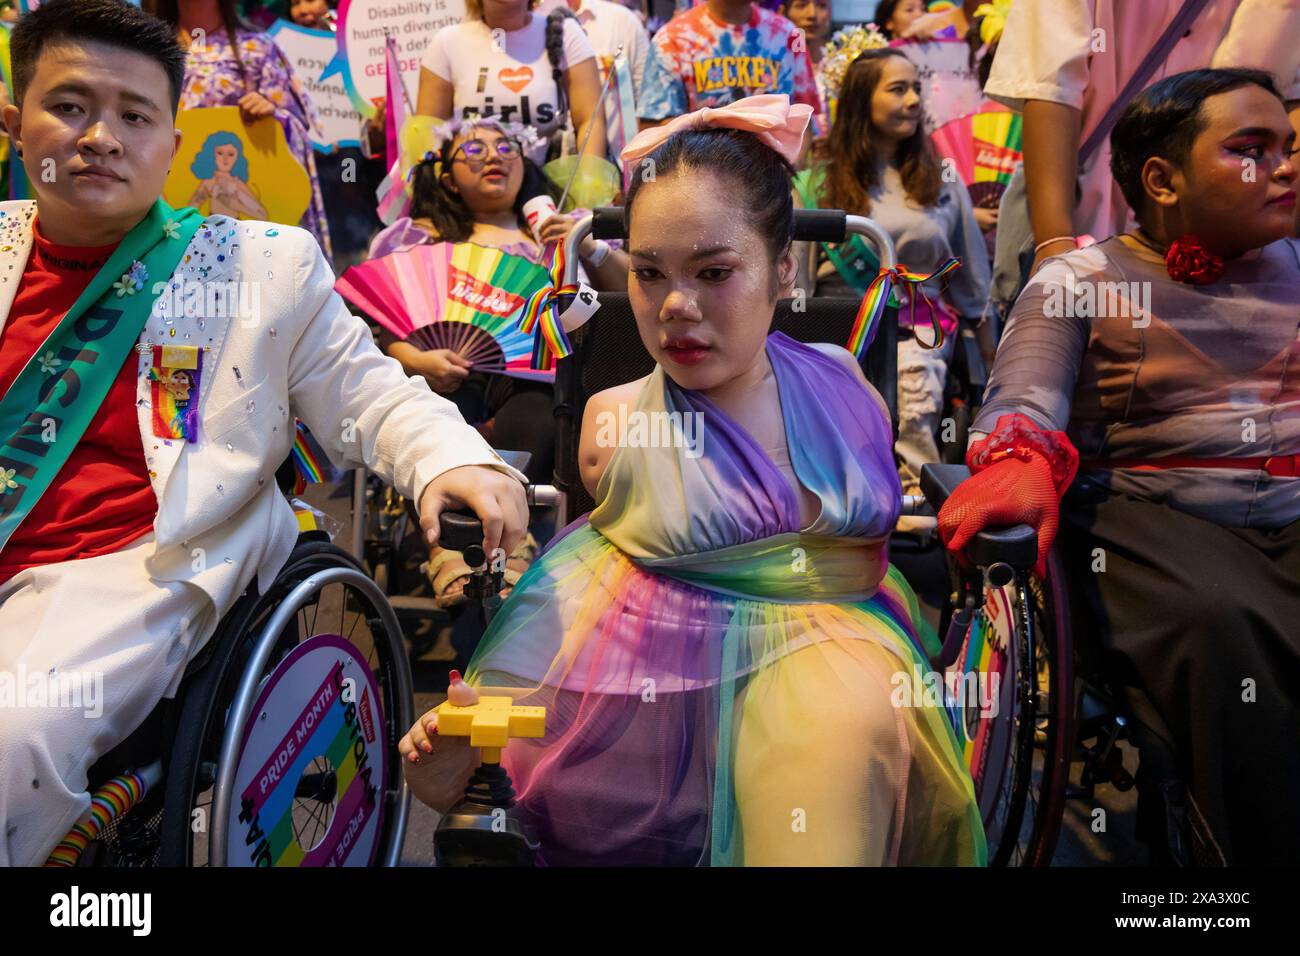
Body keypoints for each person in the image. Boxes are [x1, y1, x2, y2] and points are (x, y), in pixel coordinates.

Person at [0, 0, 528, 867]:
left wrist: (450, 462)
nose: (101, 136)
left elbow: (369, 394)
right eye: (70, 106)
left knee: (13, 735)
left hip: (131, 574)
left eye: (134, 115)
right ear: (16, 125)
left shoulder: (255, 265)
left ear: (173, 144)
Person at [400, 95, 986, 867]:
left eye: (714, 271)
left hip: (834, 674)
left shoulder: (850, 387)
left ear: (784, 267)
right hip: (659, 679)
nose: (677, 306)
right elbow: (579, 614)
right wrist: (474, 734)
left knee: (832, 730)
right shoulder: (613, 426)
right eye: (648, 273)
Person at [938, 68, 1300, 864]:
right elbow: (1022, 401)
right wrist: (1016, 461)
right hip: (1150, 520)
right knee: (1223, 625)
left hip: (1287, 515)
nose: (1284, 166)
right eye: (1251, 149)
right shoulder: (1081, 281)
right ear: (1162, 180)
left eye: (1288, 146)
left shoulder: (1296, 267)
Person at [367, 116, 628, 606]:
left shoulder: (557, 235)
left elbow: (630, 291)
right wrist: (418, 360)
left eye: (505, 146)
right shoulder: (417, 240)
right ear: (446, 178)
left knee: (539, 411)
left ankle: (496, 541)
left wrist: (584, 245)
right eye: (473, 149)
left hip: (535, 380)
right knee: (428, 411)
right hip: (440, 378)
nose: (492, 156)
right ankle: (465, 545)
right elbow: (381, 333)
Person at [983, 0, 1300, 314]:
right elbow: (1050, 84)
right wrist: (1054, 244)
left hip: (1232, 249)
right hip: (1081, 213)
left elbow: (1284, 100)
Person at [793, 49, 990, 497]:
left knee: (912, 417)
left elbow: (970, 276)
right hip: (838, 332)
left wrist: (990, 362)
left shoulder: (939, 176)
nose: (914, 100)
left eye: (917, 88)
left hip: (917, 332)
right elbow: (797, 280)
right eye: (898, 89)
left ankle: (920, 522)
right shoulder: (816, 180)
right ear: (862, 100)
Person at [149, 0, 334, 258]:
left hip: (248, 241)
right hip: (160, 212)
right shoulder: (147, 50)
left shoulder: (257, 48)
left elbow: (297, 131)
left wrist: (272, 116)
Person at [415, 0, 606, 166]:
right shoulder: (446, 43)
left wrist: (587, 193)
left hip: (553, 197)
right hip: (470, 200)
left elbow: (591, 121)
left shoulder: (568, 35)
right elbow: (428, 134)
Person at [637, 0, 820, 125]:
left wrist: (789, 173)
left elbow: (807, 117)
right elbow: (652, 128)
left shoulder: (787, 35)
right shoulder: (673, 39)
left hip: (775, 176)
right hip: (703, 175)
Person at [186, 130, 268, 218]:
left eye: (230, 154)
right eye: (220, 153)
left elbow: (262, 215)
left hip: (236, 228)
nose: (225, 159)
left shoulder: (237, 184)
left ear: (238, 157)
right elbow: (191, 208)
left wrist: (236, 205)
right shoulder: (210, 182)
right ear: (211, 154)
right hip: (214, 227)